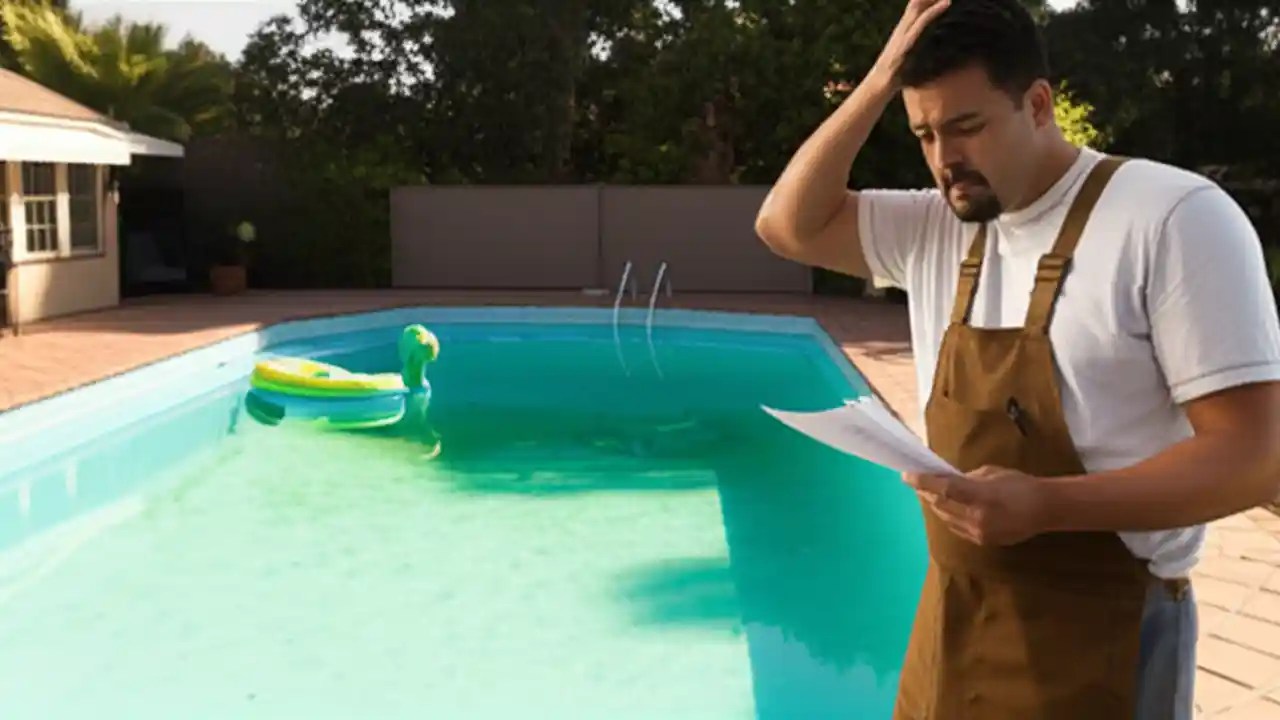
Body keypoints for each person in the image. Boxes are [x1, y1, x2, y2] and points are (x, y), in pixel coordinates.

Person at [753, 0, 1280, 718]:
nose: (945, 160)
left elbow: (1253, 456)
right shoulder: (938, 226)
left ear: (1037, 104)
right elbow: (786, 226)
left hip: (1107, 631)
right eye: (925, 134)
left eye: (966, 127)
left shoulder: (1173, 217)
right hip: (954, 613)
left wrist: (1047, 505)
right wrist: (880, 78)